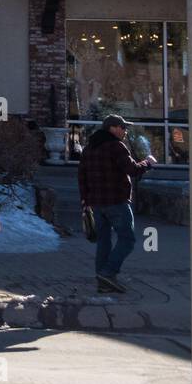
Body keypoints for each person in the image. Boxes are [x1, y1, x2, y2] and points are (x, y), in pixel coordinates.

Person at [78, 114, 155, 293]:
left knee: (103, 242)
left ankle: (103, 283)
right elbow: (132, 170)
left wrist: (85, 201)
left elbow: (81, 177)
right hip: (117, 202)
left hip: (96, 203)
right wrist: (148, 163)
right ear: (112, 128)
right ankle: (108, 272)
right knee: (127, 240)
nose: (125, 131)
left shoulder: (89, 149)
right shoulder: (116, 146)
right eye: (123, 127)